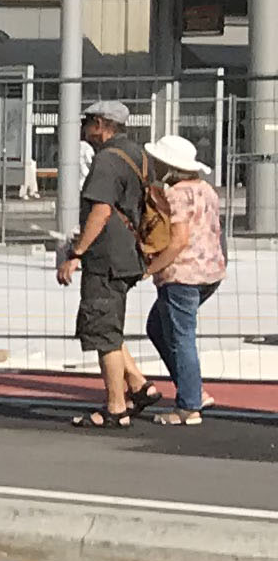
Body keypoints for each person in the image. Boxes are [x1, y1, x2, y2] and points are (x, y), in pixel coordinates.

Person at [52, 102, 156, 427]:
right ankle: (139, 385)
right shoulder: (138, 155)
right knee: (107, 324)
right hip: (129, 253)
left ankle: (115, 407)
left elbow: (101, 211)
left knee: (102, 331)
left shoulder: (107, 161)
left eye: (87, 122)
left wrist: (77, 253)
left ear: (100, 123)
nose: (84, 128)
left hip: (106, 258)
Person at [137, 132, 229, 426]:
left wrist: (151, 268)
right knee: (159, 327)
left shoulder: (175, 195)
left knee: (180, 337)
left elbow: (177, 241)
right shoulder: (207, 191)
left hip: (182, 274)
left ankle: (190, 403)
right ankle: (191, 389)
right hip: (210, 272)